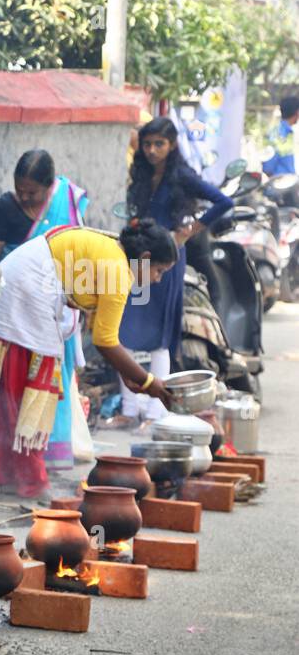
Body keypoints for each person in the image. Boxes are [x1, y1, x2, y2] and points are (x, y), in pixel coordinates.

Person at [0, 220, 178, 500]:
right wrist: (150, 383)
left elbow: (105, 335)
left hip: (23, 285)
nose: (158, 280)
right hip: (28, 291)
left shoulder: (114, 251)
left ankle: (15, 479)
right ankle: (30, 482)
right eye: (159, 271)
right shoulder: (119, 271)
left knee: (14, 392)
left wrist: (130, 374)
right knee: (27, 393)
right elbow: (106, 341)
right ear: (146, 259)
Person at [116, 117, 233, 428]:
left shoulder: (180, 174)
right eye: (147, 143)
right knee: (123, 328)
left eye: (159, 144)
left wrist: (189, 231)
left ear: (172, 145)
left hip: (165, 261)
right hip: (139, 258)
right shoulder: (141, 172)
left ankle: (156, 413)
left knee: (160, 335)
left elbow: (223, 201)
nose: (152, 150)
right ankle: (129, 411)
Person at [0, 150, 91, 471]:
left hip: (56, 310)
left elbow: (78, 256)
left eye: (34, 193)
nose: (26, 198)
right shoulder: (3, 209)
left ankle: (50, 453)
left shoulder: (66, 203)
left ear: (50, 188)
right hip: (16, 311)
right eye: (20, 190)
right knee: (14, 386)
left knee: (53, 382)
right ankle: (12, 458)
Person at [262, 96, 298, 178]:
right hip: (281, 187)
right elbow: (268, 167)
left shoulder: (287, 133)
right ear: (297, 112)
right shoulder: (278, 134)